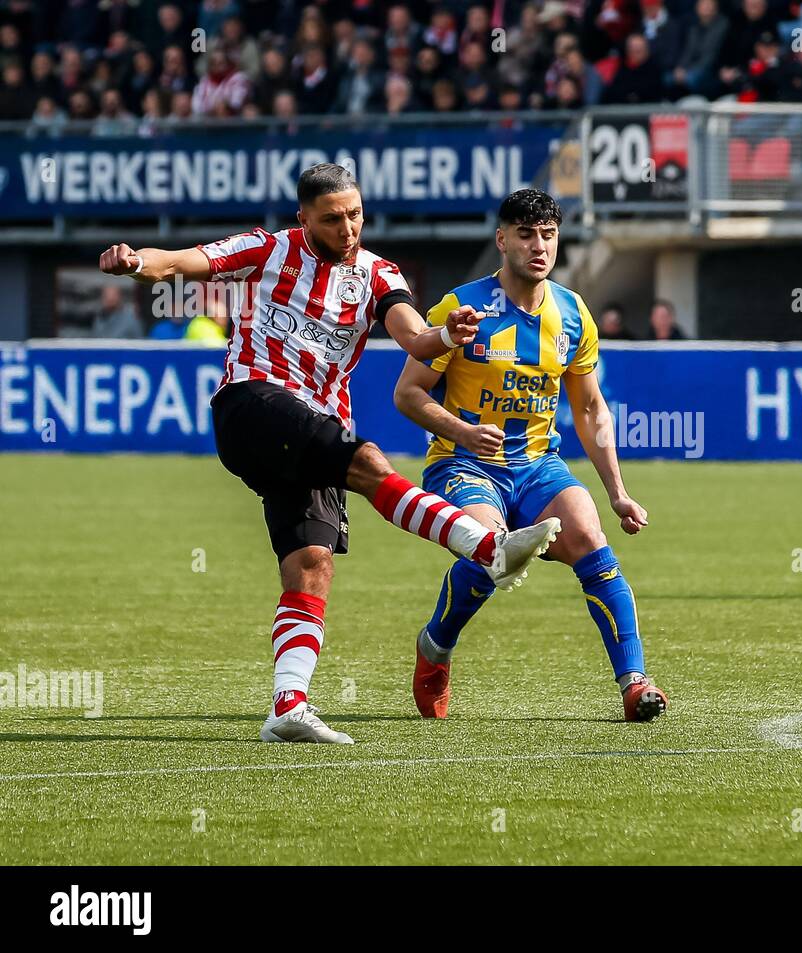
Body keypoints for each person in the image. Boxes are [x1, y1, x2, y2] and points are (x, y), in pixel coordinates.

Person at [97, 163, 560, 745]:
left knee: (311, 564)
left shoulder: (377, 273)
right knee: (369, 464)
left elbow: (414, 337)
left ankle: (288, 708)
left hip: (314, 430)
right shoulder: (268, 249)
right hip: (252, 404)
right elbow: (182, 261)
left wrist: (447, 335)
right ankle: (489, 547)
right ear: (304, 218)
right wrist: (137, 261)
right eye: (333, 218)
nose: (348, 228)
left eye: (356, 215)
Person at [392, 189, 668, 723]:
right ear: (502, 240)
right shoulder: (461, 308)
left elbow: (590, 410)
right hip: (463, 463)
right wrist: (462, 432)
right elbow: (408, 394)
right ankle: (436, 647)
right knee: (491, 551)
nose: (538, 246)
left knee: (590, 539)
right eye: (525, 234)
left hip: (538, 465)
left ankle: (635, 683)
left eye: (548, 235)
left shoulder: (572, 314)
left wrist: (618, 492)